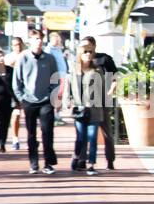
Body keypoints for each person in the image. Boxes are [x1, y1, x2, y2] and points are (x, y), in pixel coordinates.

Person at [12, 28, 64, 174]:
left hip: (46, 101)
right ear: (30, 41)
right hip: (29, 101)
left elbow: (55, 78)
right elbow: (16, 81)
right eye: (36, 39)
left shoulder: (49, 58)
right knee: (31, 134)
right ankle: (33, 163)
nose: (39, 41)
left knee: (47, 131)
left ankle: (48, 163)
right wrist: (21, 98)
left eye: (41, 38)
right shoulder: (23, 58)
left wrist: (52, 95)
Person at [65, 46, 116, 175]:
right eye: (85, 52)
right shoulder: (73, 71)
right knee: (81, 138)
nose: (88, 54)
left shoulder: (97, 71)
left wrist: (106, 102)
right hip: (80, 109)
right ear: (80, 55)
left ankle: (91, 165)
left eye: (90, 52)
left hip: (95, 109)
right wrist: (68, 102)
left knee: (92, 137)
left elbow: (103, 90)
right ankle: (76, 157)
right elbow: (68, 89)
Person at [81, 36, 118, 169]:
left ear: (94, 46)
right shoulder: (81, 61)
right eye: (83, 47)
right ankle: (82, 160)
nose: (86, 50)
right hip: (86, 102)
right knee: (84, 132)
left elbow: (115, 77)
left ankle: (110, 160)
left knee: (106, 131)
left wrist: (111, 92)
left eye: (88, 47)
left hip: (103, 101)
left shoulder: (104, 59)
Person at [5, 37, 25, 150]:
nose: (17, 47)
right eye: (15, 45)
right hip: (15, 90)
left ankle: (32, 138)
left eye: (19, 44)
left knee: (30, 116)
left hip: (28, 89)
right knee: (16, 114)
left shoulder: (28, 55)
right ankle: (15, 139)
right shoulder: (9, 57)